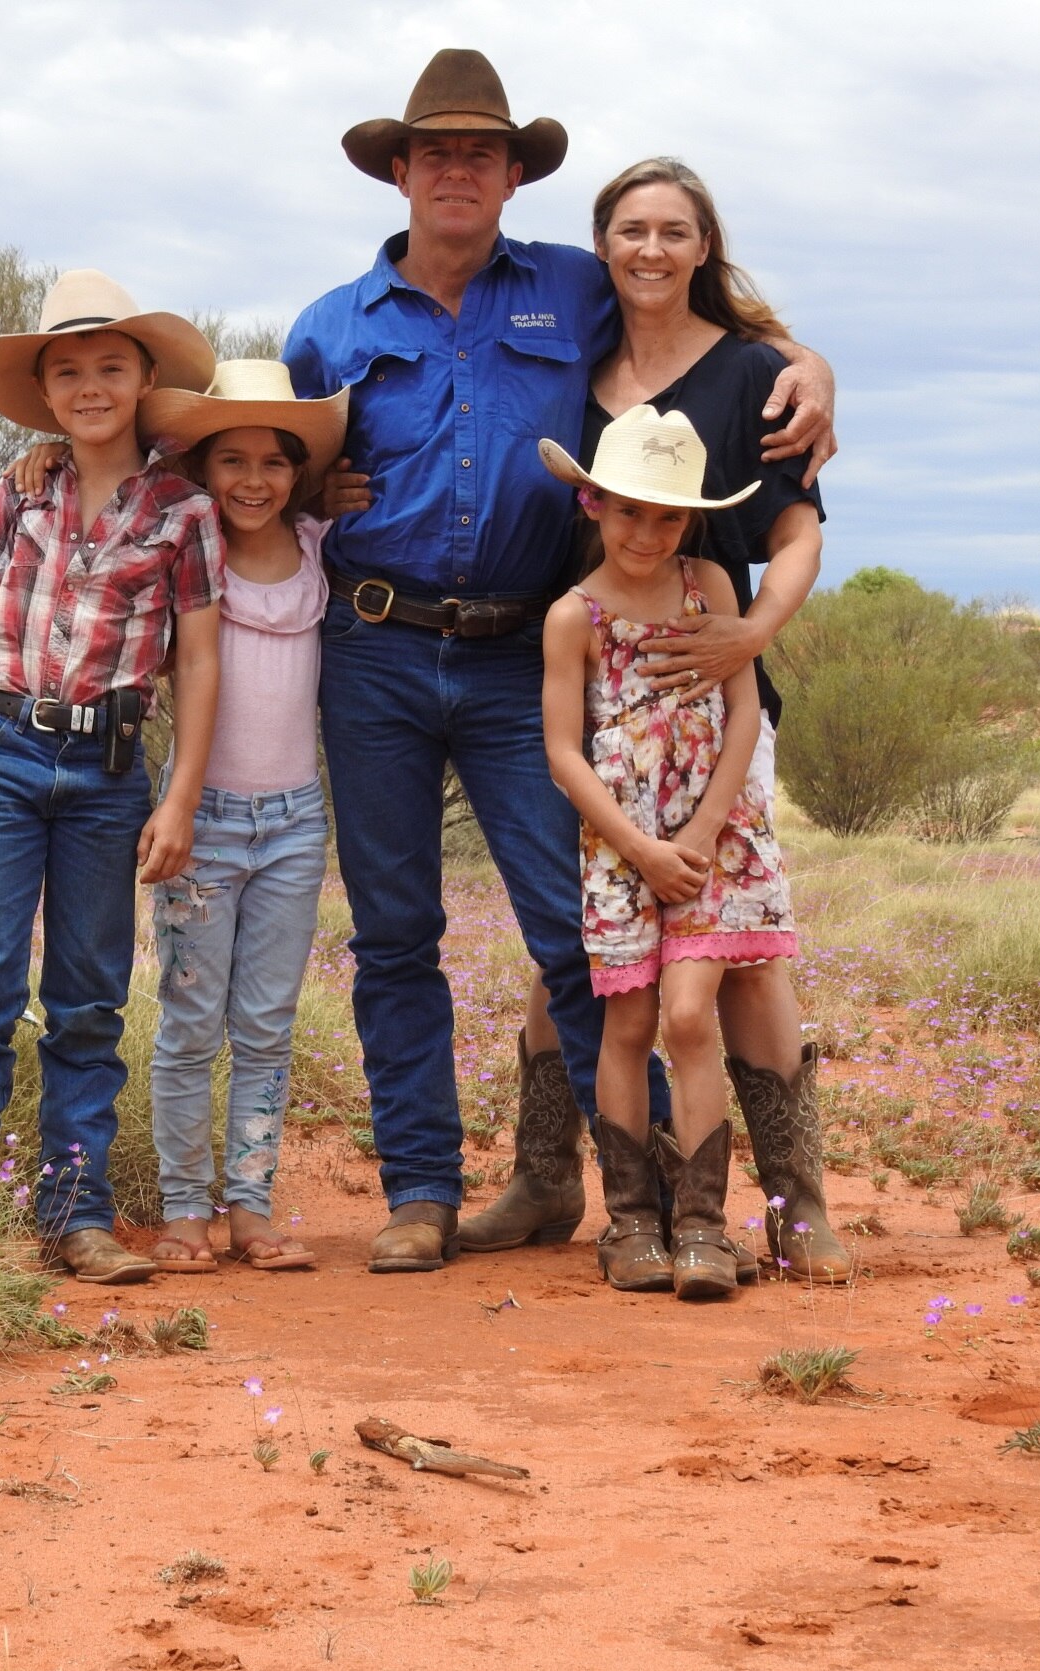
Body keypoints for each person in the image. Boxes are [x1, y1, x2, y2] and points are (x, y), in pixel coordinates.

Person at [281, 49, 836, 1273]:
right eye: (437, 152)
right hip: (371, 648)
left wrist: (812, 366)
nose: (460, 169)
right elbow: (259, 465)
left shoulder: (574, 291)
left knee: (578, 935)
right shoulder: (328, 330)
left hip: (519, 658)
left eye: (484, 151)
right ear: (401, 172)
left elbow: (703, 321)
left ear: (516, 174)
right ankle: (423, 1193)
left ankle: (641, 1207)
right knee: (393, 935)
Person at [472, 157, 852, 1280]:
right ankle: (552, 1179)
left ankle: (792, 1201)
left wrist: (750, 634)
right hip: (584, 699)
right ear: (602, 247)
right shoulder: (573, 362)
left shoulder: (752, 376)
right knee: (574, 942)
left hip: (707, 689)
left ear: (705, 247)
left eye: (673, 231)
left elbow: (795, 530)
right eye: (629, 230)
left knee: (738, 962)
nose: (650, 249)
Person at [0, 270, 223, 1287]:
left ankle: (76, 1211)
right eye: (68, 371)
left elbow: (203, 662)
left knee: (90, 999)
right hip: (2, 756)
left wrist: (178, 796)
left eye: (109, 366)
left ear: (143, 377)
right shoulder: (20, 488)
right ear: (46, 391)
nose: (89, 386)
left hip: (107, 768)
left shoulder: (186, 510)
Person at [538, 406, 796, 1296]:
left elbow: (744, 712)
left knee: (691, 1018)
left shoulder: (711, 588)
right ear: (592, 505)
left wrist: (698, 831)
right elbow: (565, 750)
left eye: (669, 516)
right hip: (621, 845)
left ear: (691, 521)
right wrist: (641, 848)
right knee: (631, 1022)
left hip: (714, 837)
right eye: (629, 511)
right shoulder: (574, 617)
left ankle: (702, 1224)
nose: (647, 532)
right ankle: (632, 1221)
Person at [136, 361, 349, 1272]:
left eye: (272, 461)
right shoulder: (186, 545)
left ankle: (251, 1209)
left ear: (299, 473)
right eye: (231, 460)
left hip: (296, 824)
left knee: (265, 1026)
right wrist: (36, 458)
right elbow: (101, 471)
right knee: (189, 1025)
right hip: (200, 820)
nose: (252, 480)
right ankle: (185, 1210)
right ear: (199, 468)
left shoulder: (320, 543)